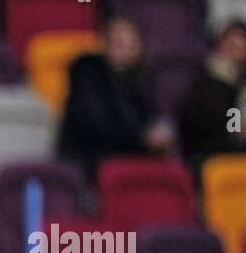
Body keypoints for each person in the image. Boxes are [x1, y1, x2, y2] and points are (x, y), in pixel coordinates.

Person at [58, 16, 175, 179]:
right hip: (90, 164)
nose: (126, 51)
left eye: (132, 45)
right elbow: (96, 124)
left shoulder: (140, 80)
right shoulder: (87, 72)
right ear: (105, 44)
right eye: (120, 44)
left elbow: (151, 120)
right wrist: (142, 138)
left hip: (129, 162)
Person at [181, 19, 246, 174]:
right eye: (231, 45)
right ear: (218, 48)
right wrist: (226, 85)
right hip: (223, 160)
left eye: (242, 45)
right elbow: (227, 129)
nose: (237, 51)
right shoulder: (208, 86)